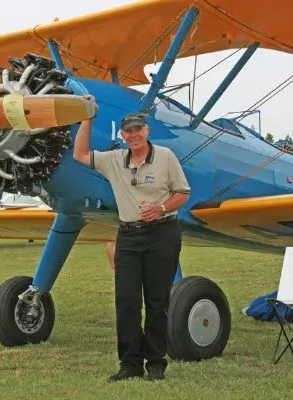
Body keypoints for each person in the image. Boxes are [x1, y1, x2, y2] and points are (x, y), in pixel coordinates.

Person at [73, 105, 190, 382]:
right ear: (122, 135)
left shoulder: (166, 156)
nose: (134, 134)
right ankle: (129, 365)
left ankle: (156, 363)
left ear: (146, 131)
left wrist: (161, 208)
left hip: (162, 233)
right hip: (127, 235)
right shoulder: (113, 160)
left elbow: (183, 193)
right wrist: (86, 119)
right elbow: (79, 154)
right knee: (126, 302)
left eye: (138, 129)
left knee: (157, 301)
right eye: (129, 131)